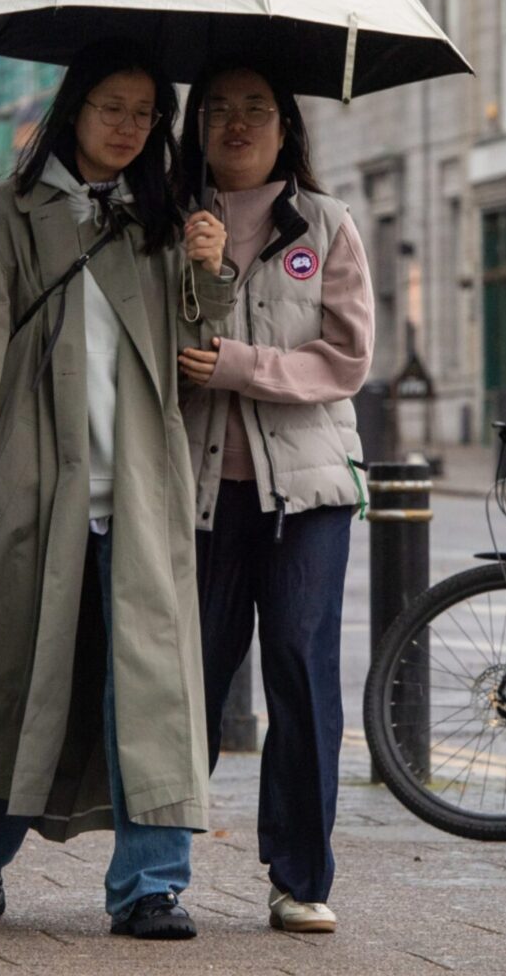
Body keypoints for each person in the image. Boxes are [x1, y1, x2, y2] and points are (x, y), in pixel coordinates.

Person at [0, 40, 234, 942]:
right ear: (72, 110)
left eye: (146, 112)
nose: (128, 126)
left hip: (141, 492)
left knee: (149, 688)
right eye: (112, 106)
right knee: (8, 676)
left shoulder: (169, 216)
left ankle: (152, 885)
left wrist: (210, 272)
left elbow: (194, 350)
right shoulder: (8, 212)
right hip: (26, 490)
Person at [174, 63, 374, 934]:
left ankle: (300, 875)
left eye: (257, 109)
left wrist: (242, 367)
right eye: (220, 110)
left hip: (308, 493)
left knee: (298, 664)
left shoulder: (326, 225)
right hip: (198, 489)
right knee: (191, 678)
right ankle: (158, 868)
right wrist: (196, 271)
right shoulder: (172, 223)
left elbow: (345, 360)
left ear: (288, 128)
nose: (239, 124)